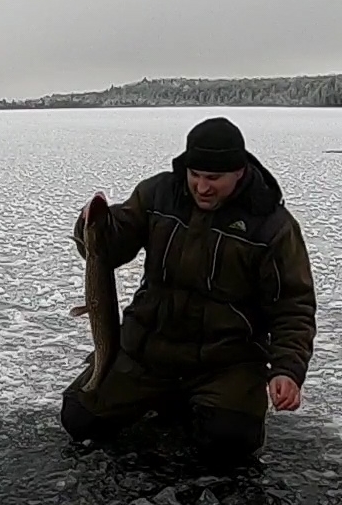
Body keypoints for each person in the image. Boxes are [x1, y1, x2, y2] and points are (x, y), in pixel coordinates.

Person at [60, 116, 317, 468]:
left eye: (214, 178)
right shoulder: (157, 195)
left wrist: (287, 368)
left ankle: (196, 402)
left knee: (231, 443)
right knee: (79, 417)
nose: (202, 187)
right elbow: (110, 246)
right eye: (195, 174)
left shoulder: (272, 226)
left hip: (225, 360)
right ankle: (163, 396)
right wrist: (93, 224)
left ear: (239, 172)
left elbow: (293, 305)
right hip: (148, 349)